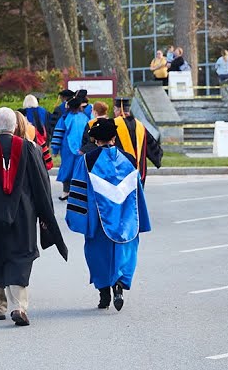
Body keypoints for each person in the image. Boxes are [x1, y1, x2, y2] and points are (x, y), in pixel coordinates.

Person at [0, 107, 68, 327]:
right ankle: (18, 306)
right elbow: (41, 185)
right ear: (15, 126)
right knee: (20, 254)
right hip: (23, 214)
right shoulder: (30, 148)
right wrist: (45, 213)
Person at [65, 117, 151, 312]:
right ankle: (119, 285)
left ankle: (104, 292)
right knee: (124, 251)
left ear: (95, 139)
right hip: (126, 219)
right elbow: (137, 194)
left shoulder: (87, 160)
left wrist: (81, 220)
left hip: (98, 219)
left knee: (98, 254)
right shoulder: (129, 159)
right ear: (114, 136)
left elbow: (79, 191)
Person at [114, 98, 163, 184]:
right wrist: (157, 158)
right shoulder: (140, 126)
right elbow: (152, 145)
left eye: (115, 110)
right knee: (137, 196)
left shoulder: (113, 125)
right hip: (139, 171)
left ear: (118, 110)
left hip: (119, 171)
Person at [51, 95, 89, 200]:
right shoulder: (85, 117)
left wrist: (55, 149)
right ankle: (79, 192)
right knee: (80, 170)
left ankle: (66, 192)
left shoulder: (64, 118)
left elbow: (58, 134)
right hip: (82, 148)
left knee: (67, 169)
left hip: (68, 149)